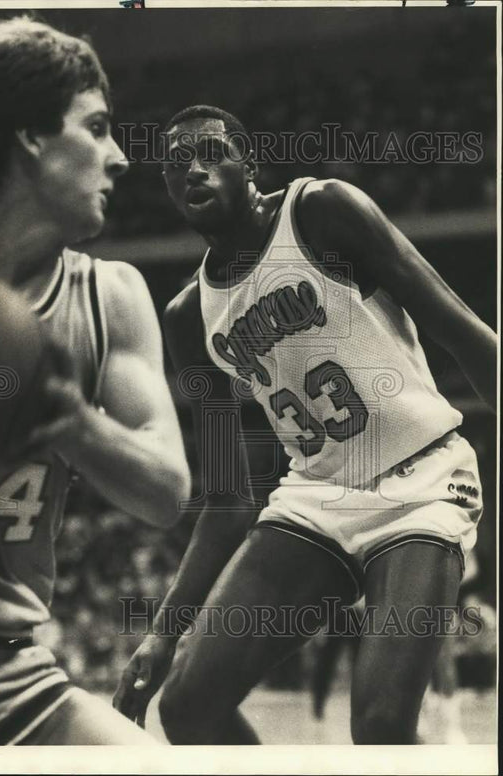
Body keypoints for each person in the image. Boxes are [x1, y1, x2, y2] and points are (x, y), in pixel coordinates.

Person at [113, 105, 496, 744]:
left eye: (211, 153)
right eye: (176, 165)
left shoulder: (322, 211)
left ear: (250, 165)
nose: (194, 171)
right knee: (185, 706)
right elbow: (228, 500)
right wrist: (162, 631)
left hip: (422, 482)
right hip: (314, 500)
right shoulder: (187, 317)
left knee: (378, 725)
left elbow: (460, 329)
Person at [0, 17, 190, 745]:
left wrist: (62, 414)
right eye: (98, 127)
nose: (119, 158)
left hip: (14, 677)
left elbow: (166, 490)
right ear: (31, 137)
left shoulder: (109, 294)